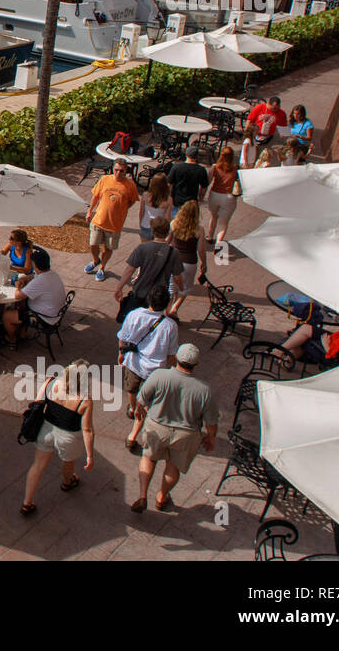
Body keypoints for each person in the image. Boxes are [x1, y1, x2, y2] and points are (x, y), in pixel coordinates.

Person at [131, 343, 218, 513]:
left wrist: (139, 410)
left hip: (157, 427)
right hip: (186, 434)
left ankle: (142, 495)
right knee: (173, 466)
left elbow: (142, 398)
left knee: (148, 458)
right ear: (196, 364)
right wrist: (211, 437)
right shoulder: (205, 390)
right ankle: (161, 497)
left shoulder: (159, 375)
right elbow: (211, 422)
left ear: (177, 358)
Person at [20, 359, 95, 516]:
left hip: (46, 430)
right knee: (67, 462)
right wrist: (89, 455)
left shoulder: (50, 382)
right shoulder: (85, 400)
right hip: (69, 437)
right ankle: (67, 482)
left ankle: (27, 502)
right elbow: (87, 430)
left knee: (38, 465)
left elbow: (36, 403)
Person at [116, 284, 180, 453]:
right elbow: (171, 354)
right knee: (145, 403)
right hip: (154, 371)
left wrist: (121, 353)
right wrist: (171, 370)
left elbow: (122, 337)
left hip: (133, 363)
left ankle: (132, 409)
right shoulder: (170, 326)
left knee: (131, 388)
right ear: (167, 304)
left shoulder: (134, 315)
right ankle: (132, 435)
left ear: (149, 300)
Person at [111, 217, 185, 324]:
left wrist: (119, 287)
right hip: (159, 295)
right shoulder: (174, 253)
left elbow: (130, 270)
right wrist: (181, 288)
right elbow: (177, 276)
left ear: (152, 230)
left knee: (134, 320)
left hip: (140, 290)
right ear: (168, 232)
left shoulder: (142, 248)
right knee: (152, 322)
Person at [85, 157, 139, 281]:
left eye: (121, 171)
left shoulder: (130, 185)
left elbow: (132, 200)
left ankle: (102, 267)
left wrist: (123, 208)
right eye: (116, 170)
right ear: (113, 169)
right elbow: (95, 196)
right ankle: (95, 260)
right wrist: (89, 211)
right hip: (98, 220)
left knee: (108, 248)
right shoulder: (104, 179)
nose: (118, 173)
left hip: (115, 224)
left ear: (126, 171)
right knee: (93, 244)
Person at [2, 247, 67, 348]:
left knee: (7, 315)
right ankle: (22, 333)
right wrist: (25, 278)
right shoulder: (52, 273)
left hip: (44, 319)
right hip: (55, 314)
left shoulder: (40, 281)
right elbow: (33, 275)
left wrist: (18, 286)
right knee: (22, 303)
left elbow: (17, 296)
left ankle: (12, 340)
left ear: (36, 265)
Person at [165, 201, 208, 319]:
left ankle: (167, 311)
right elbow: (201, 250)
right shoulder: (199, 230)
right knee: (185, 288)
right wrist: (204, 263)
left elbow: (167, 241)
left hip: (174, 261)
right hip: (190, 262)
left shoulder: (174, 224)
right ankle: (175, 308)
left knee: (171, 288)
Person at [205, 147, 240, 244]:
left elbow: (208, 181)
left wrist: (202, 194)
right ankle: (218, 245)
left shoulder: (215, 167)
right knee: (223, 224)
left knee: (213, 216)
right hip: (228, 197)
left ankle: (210, 236)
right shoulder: (236, 168)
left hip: (214, 194)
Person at [167, 148, 210, 216]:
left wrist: (168, 196)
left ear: (186, 155)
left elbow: (169, 183)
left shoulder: (177, 167)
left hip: (177, 200)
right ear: (196, 156)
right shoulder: (201, 170)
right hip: (191, 201)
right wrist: (201, 197)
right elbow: (204, 187)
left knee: (174, 219)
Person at [138, 172, 173, 242]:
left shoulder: (145, 195)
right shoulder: (168, 199)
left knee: (145, 247)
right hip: (159, 228)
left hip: (146, 224)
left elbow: (141, 212)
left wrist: (140, 223)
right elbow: (167, 217)